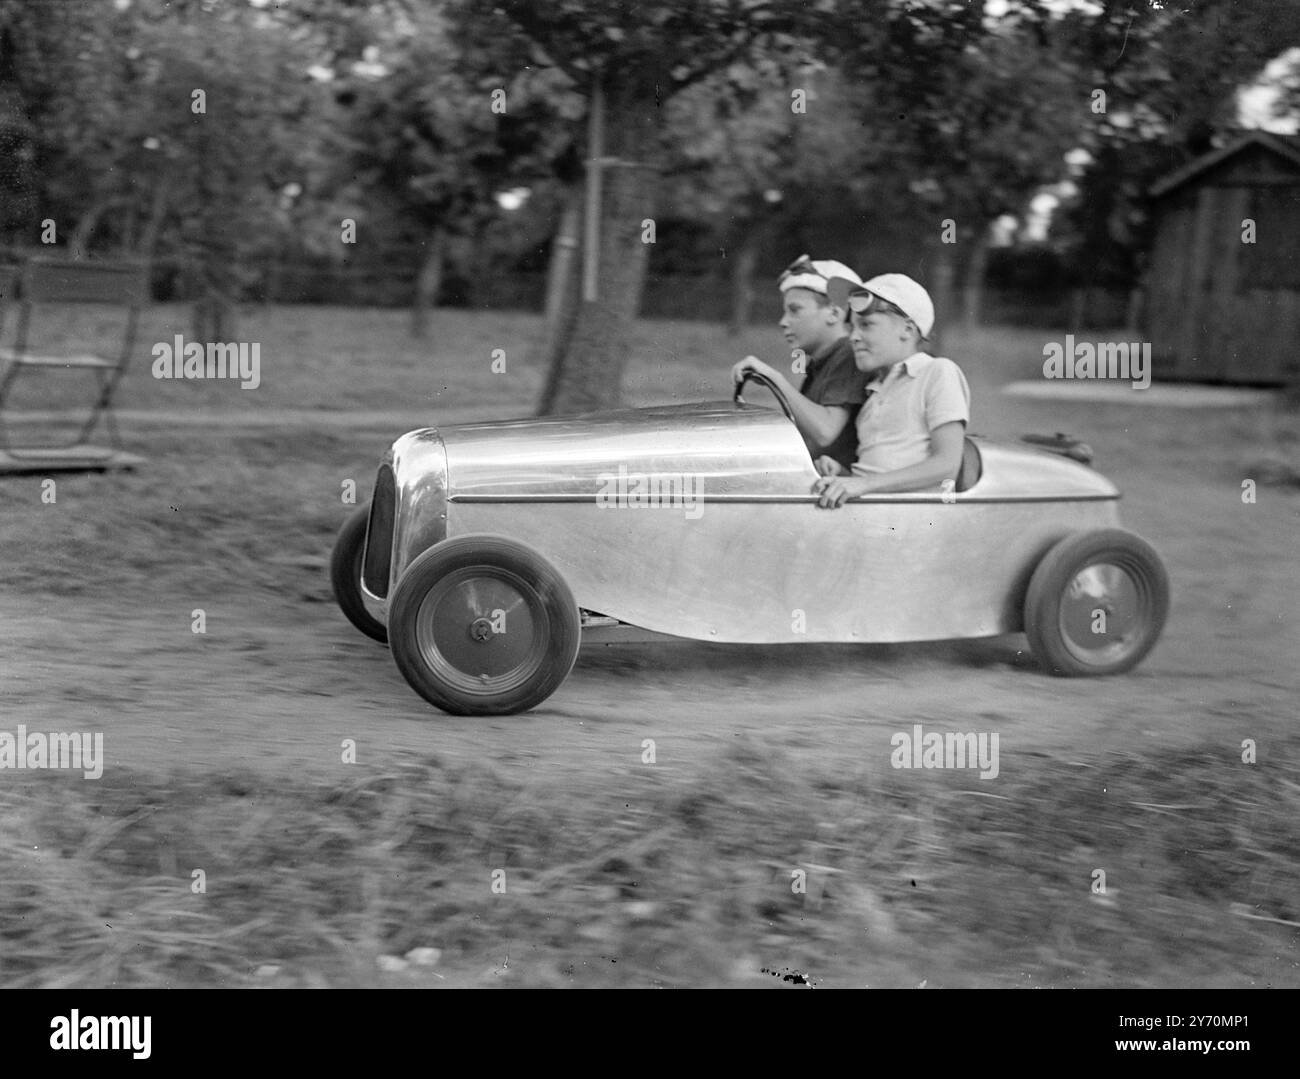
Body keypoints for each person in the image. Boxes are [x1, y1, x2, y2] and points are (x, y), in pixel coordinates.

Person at [812, 274, 970, 507]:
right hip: (870, 519)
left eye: (866, 325)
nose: (853, 337)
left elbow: (947, 465)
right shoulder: (873, 391)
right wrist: (843, 476)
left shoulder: (937, 372)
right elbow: (876, 476)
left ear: (906, 329)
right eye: (852, 327)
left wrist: (863, 485)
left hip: (914, 524)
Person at [729, 254, 868, 469]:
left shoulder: (847, 354)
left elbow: (825, 431)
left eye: (795, 310)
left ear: (833, 313)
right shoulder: (821, 363)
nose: (783, 322)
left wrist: (774, 378)